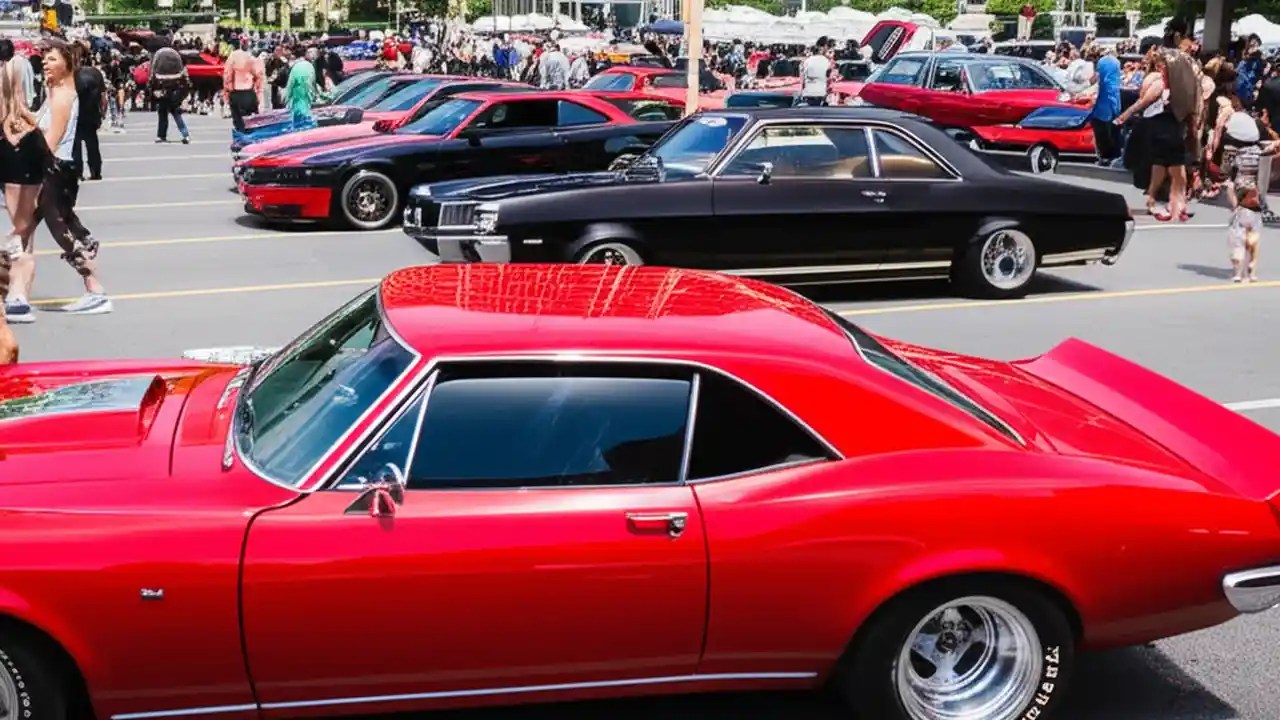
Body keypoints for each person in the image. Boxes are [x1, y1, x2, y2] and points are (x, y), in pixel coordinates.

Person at [31, 39, 111, 316]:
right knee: (31, 228)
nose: (44, 63)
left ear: (67, 64)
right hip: (56, 169)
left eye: (51, 59)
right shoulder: (54, 92)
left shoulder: (64, 95)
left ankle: (94, 286)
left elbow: (49, 142)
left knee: (56, 225)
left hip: (57, 170)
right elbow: (36, 122)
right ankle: (13, 291)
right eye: (44, 59)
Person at [1, 54, 47, 326]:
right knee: (23, 234)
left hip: (17, 179)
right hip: (23, 177)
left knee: (20, 233)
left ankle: (16, 291)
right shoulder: (31, 128)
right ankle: (17, 293)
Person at [72, 43, 106, 181]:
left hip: (76, 114)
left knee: (76, 144)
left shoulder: (72, 74)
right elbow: (103, 97)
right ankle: (96, 171)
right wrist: (103, 112)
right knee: (92, 143)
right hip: (92, 113)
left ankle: (77, 171)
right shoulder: (95, 73)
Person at [149, 46, 190, 144]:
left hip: (162, 91)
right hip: (174, 90)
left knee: (162, 114)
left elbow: (152, 78)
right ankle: (185, 134)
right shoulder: (178, 63)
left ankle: (161, 135)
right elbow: (186, 81)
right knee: (176, 114)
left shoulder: (158, 59)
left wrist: (152, 90)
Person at [1225, 181, 1263, 282]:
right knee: (1244, 244)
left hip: (1246, 212)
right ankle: (1245, 272)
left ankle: (1245, 272)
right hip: (1247, 212)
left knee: (1244, 244)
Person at [223, 40, 262, 134]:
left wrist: (227, 92)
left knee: (238, 121)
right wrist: (257, 92)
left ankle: (241, 137)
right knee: (251, 120)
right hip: (249, 92)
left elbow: (227, 76)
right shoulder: (251, 58)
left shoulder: (233, 56)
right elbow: (258, 76)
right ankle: (250, 137)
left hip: (236, 92)